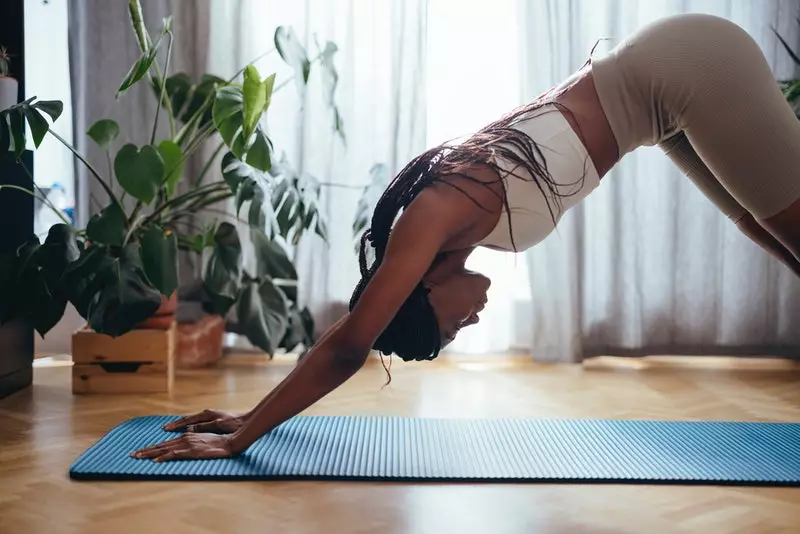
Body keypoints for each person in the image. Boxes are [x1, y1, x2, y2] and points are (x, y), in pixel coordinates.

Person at [132, 13, 800, 462]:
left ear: (422, 294)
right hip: (664, 101)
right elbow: (345, 337)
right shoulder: (444, 234)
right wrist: (247, 417)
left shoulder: (429, 221)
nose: (470, 321)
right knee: (759, 222)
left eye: (450, 328)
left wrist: (241, 439)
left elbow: (348, 344)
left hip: (684, 71)